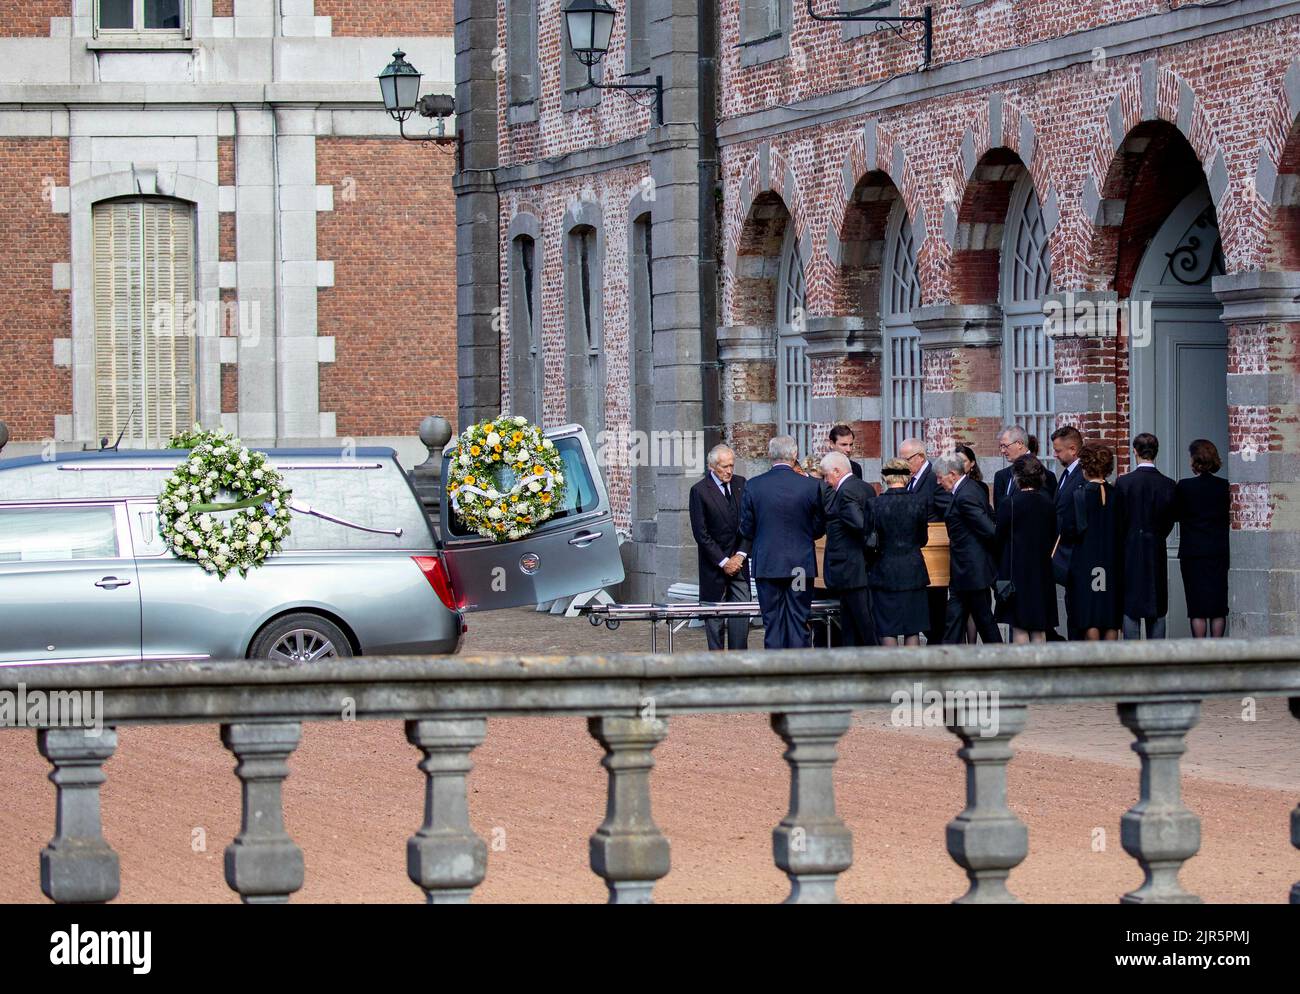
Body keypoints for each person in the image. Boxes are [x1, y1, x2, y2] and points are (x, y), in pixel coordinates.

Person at [738, 435, 826, 649]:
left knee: (773, 621)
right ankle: (799, 673)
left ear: (770, 455)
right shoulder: (811, 486)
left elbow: (746, 528)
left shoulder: (754, 486)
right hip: (799, 564)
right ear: (795, 455)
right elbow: (819, 526)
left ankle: (775, 672)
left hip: (768, 565)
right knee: (798, 619)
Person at [688, 444, 751, 651]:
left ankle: (739, 665)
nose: (729, 471)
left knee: (741, 616)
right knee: (714, 622)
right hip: (714, 567)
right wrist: (724, 562)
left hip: (739, 564)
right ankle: (716, 667)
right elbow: (701, 533)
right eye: (724, 467)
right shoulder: (699, 491)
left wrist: (740, 556)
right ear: (712, 467)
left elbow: (749, 524)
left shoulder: (742, 484)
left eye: (731, 465)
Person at [1061, 442, 1126, 641]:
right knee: (1109, 615)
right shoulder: (1118, 495)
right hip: (1112, 561)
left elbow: (1068, 531)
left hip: (1085, 561)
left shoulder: (1079, 496)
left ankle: (1094, 659)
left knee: (1089, 614)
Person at [1115, 433, 1177, 640]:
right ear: (1156, 452)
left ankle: (1131, 658)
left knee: (1130, 604)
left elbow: (1119, 518)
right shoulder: (1168, 484)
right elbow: (1171, 518)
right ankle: (1157, 656)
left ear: (1135, 452)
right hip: (1156, 547)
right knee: (1157, 604)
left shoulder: (1124, 483)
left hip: (1130, 548)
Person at [935, 454, 1002, 644]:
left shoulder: (964, 495)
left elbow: (988, 529)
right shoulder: (970, 488)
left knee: (983, 619)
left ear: (953, 474)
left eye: (940, 477)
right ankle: (949, 660)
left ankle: (1002, 659)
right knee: (955, 618)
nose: (938, 482)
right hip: (964, 570)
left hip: (971, 569)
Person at [993, 454, 1058, 643]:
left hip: (1016, 569)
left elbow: (999, 538)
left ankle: (1022, 669)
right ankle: (1040, 669)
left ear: (1017, 477)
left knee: (1019, 625)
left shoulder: (1009, 503)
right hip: (1042, 570)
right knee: (1039, 626)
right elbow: (1054, 535)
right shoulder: (1048, 502)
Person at [869, 458, 930, 646]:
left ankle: (891, 675)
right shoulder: (919, 501)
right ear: (907, 477)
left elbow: (868, 540)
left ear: (886, 478)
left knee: (887, 628)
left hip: (884, 569)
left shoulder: (874, 504)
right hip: (913, 569)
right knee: (912, 628)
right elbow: (923, 539)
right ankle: (914, 674)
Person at [819, 451, 877, 647]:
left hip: (850, 568)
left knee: (862, 625)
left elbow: (861, 525)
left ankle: (878, 668)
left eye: (827, 476)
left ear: (837, 471)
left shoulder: (845, 492)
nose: (827, 481)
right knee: (854, 626)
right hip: (859, 567)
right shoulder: (866, 487)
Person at [1174, 438, 1230, 638]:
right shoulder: (1224, 486)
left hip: (1193, 553)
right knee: (1218, 606)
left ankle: (1200, 652)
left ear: (1194, 460)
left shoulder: (1184, 487)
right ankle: (1218, 653)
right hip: (1218, 551)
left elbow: (1175, 515)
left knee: (1197, 607)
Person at [898, 437, 948, 644]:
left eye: (906, 459)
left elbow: (944, 511)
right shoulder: (909, 478)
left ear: (919, 457)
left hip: (933, 555)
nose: (902, 464)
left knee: (936, 612)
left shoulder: (934, 478)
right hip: (913, 556)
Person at [1051, 425, 1086, 639]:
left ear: (1073, 449)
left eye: (1058, 450)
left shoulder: (1081, 476)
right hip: (1066, 554)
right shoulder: (1066, 474)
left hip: (1076, 553)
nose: (1055, 455)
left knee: (1078, 610)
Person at [994, 425, 1057, 511]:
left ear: (1019, 444)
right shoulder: (1001, 476)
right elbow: (999, 511)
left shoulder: (1046, 475)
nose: (1002, 451)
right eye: (1001, 446)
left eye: (1005, 446)